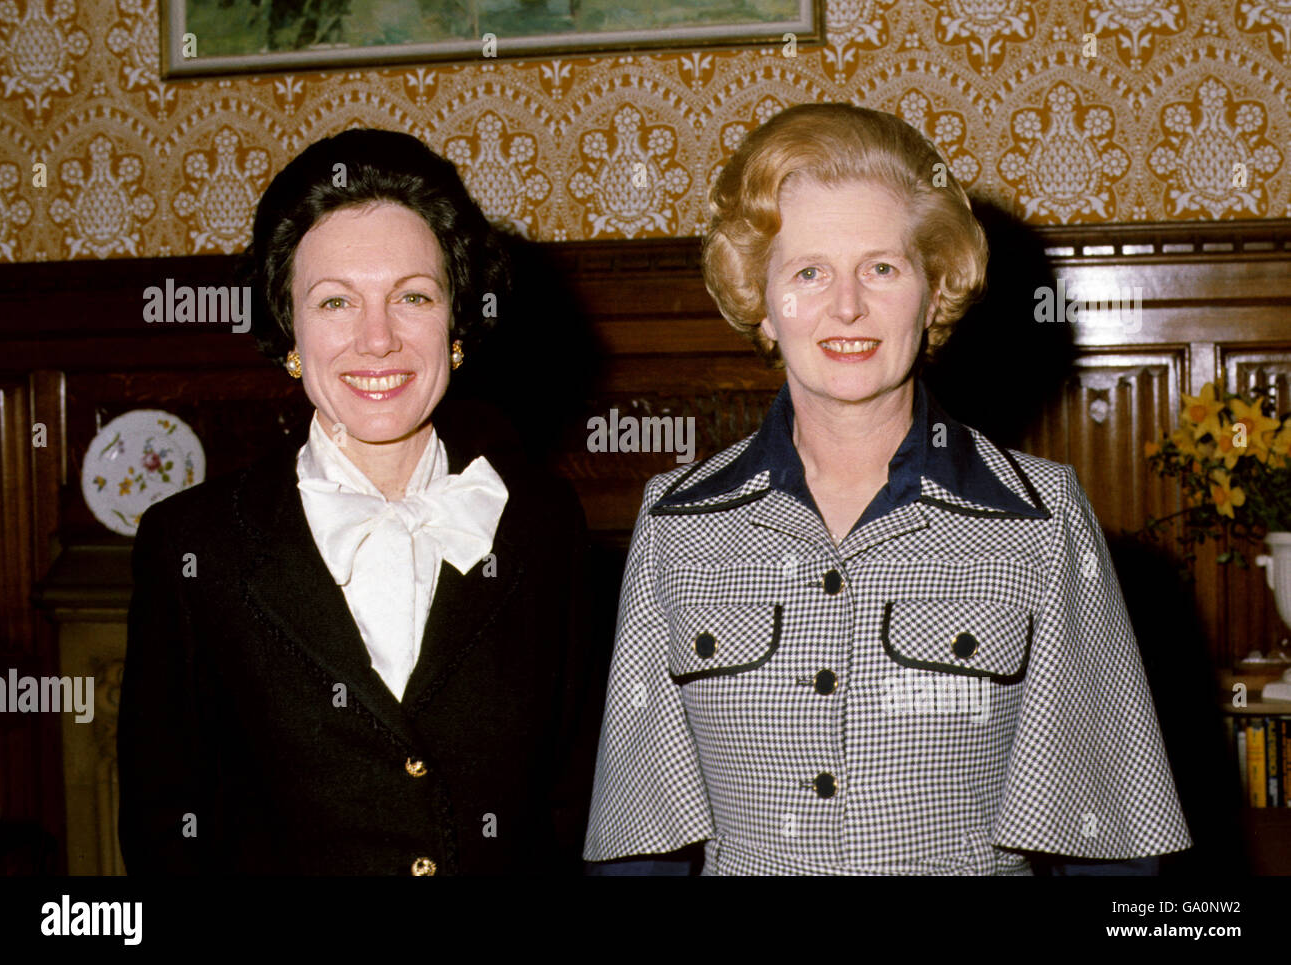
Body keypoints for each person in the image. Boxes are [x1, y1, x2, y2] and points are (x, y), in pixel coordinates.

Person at [583, 103, 1192, 875]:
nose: (847, 307)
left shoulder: (1041, 517)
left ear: (933, 292)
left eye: (882, 268)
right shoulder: (677, 521)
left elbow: (1111, 853)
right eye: (809, 271)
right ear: (761, 303)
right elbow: (641, 850)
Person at [118, 129, 595, 875]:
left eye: (412, 296)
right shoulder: (194, 546)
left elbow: (570, 811)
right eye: (336, 301)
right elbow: (167, 837)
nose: (377, 340)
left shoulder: (544, 526)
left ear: (458, 322)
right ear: (289, 332)